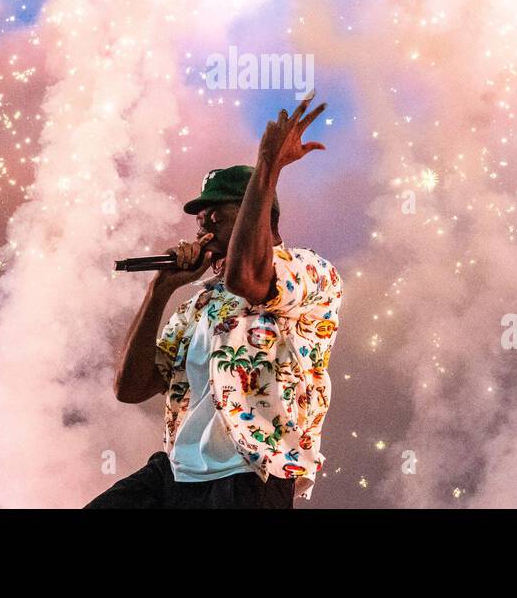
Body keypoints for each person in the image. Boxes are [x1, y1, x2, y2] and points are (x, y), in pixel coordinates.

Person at [86, 95, 342, 508]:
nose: (203, 229)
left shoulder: (309, 272)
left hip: (249, 471)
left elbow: (248, 277)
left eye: (217, 217)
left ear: (255, 219)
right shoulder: (199, 304)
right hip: (177, 472)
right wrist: (160, 291)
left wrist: (268, 167)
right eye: (199, 221)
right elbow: (131, 389)